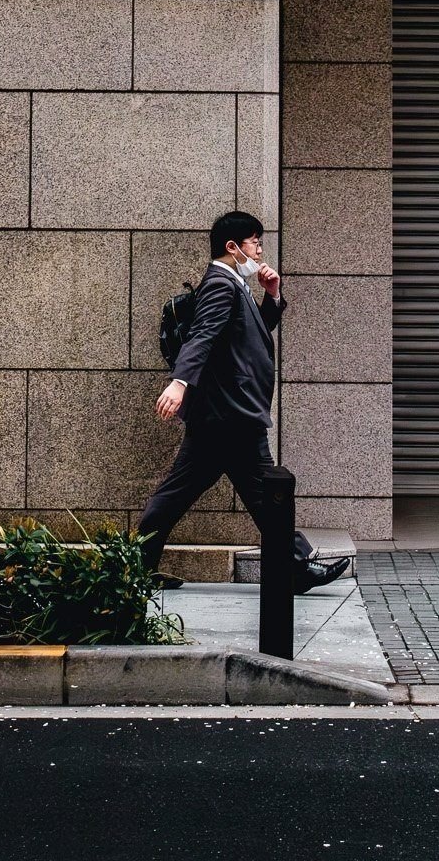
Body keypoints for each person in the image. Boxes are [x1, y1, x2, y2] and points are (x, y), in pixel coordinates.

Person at [138, 210, 351, 594]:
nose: (260, 249)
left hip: (222, 416)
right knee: (263, 493)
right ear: (232, 247)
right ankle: (296, 568)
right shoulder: (222, 283)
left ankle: (135, 569)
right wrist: (180, 381)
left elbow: (248, 335)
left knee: (180, 496)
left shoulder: (234, 283)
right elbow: (202, 336)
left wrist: (272, 297)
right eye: (255, 242)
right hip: (230, 415)